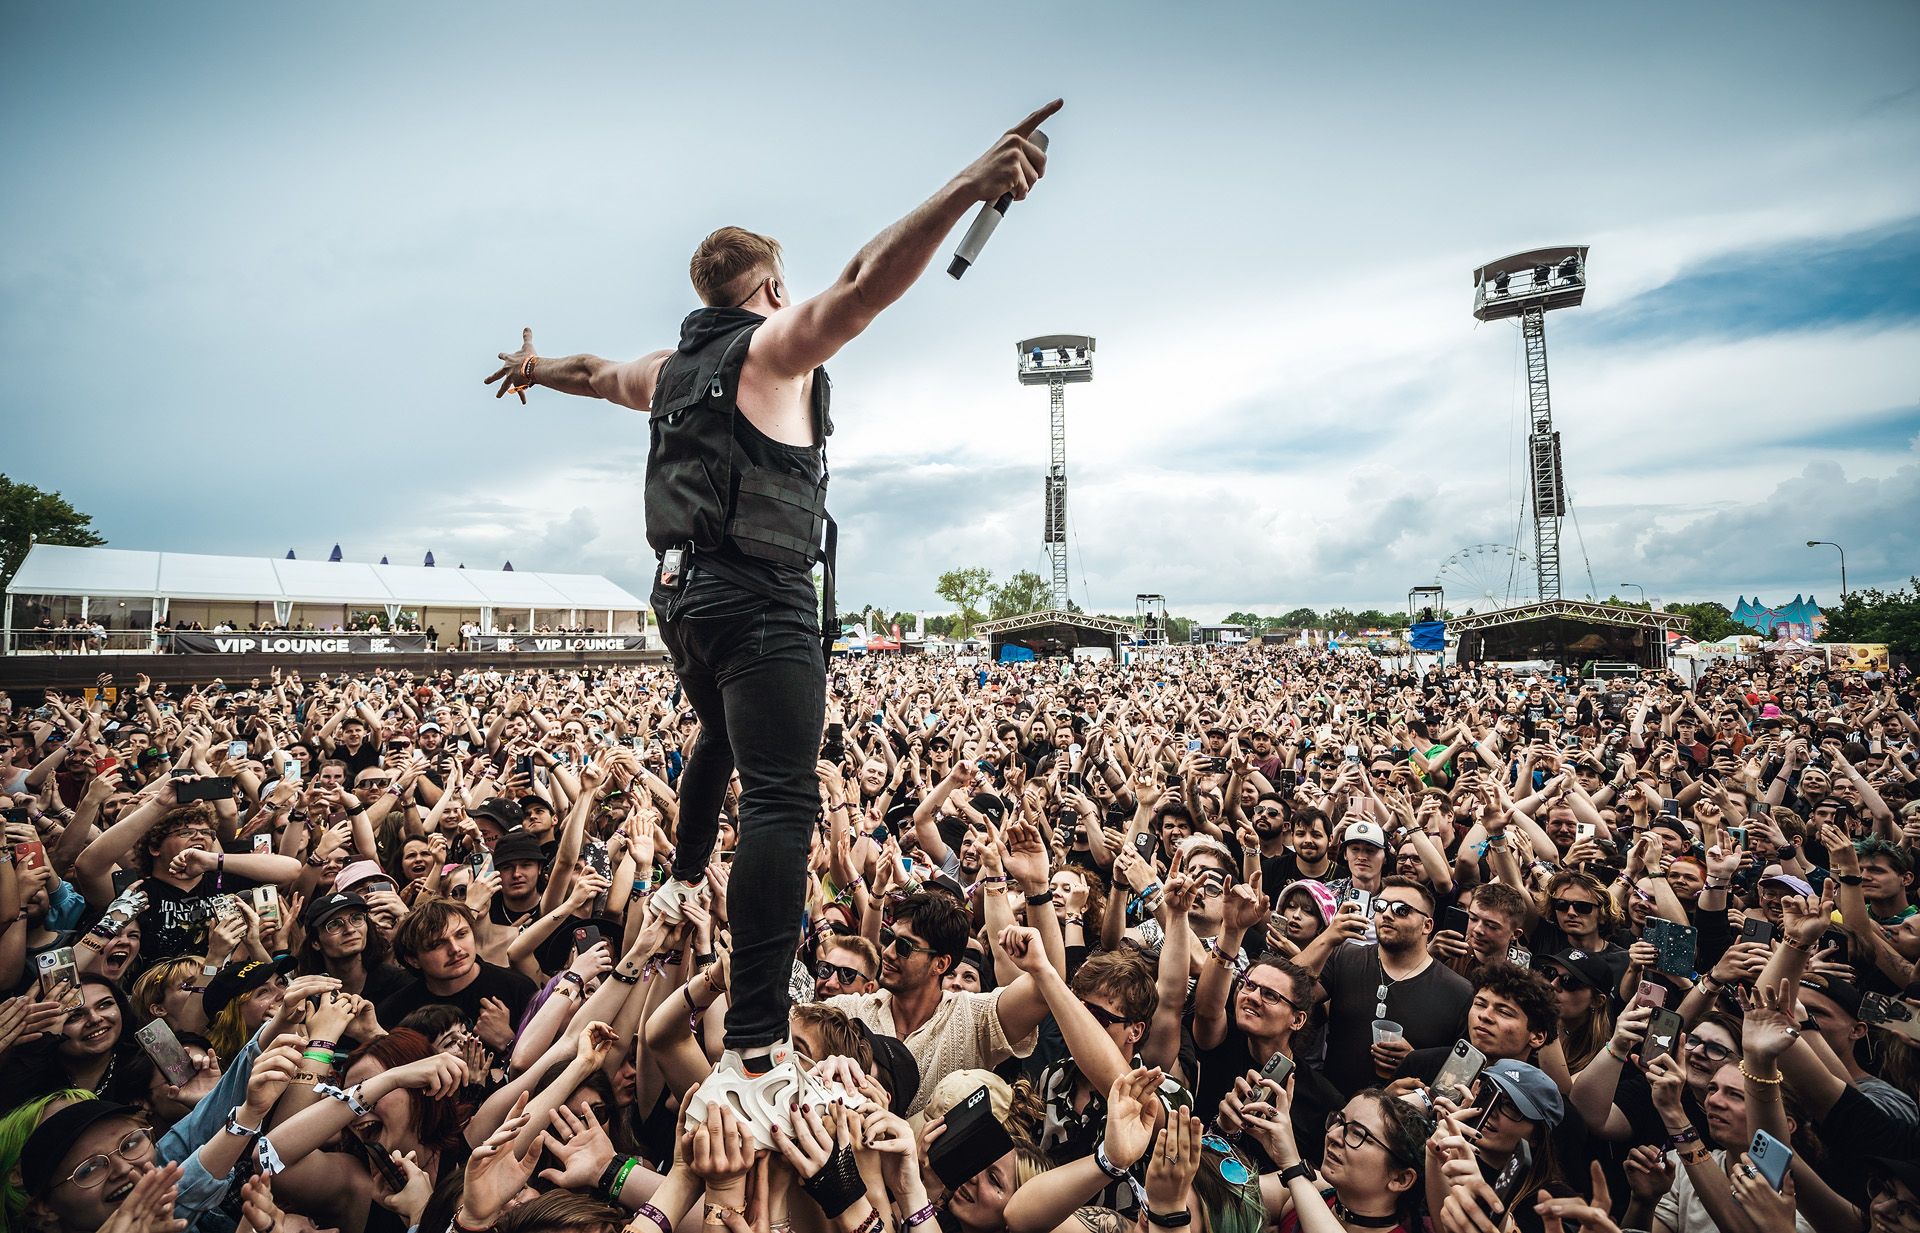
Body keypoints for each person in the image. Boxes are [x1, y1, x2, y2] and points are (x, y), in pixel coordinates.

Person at [483, 98, 1062, 1139]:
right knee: (787, 799)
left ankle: (680, 879)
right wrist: (967, 186)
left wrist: (532, 368)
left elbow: (592, 374)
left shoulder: (666, 373)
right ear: (769, 288)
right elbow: (865, 284)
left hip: (683, 600)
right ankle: (755, 1037)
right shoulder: (770, 350)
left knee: (719, 734)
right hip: (760, 597)